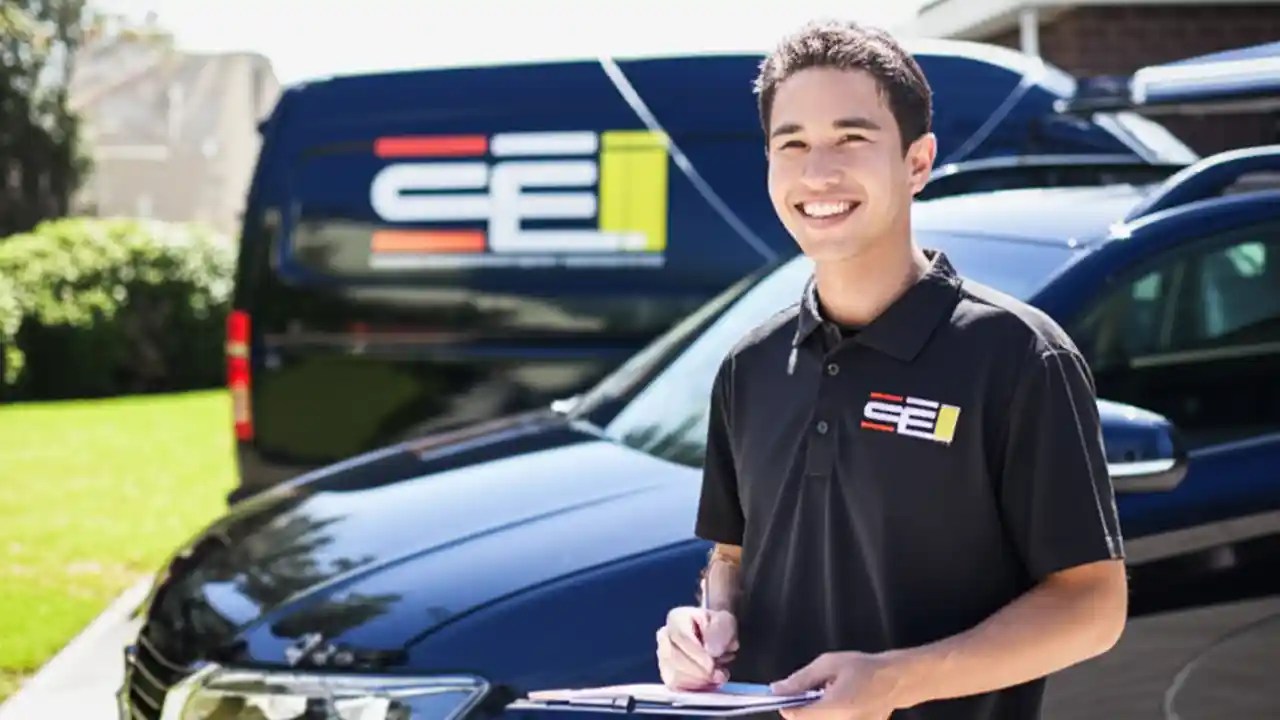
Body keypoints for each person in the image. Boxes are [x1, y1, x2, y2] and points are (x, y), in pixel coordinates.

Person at [654, 19, 1129, 720]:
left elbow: (1092, 605)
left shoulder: (1020, 357)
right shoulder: (750, 365)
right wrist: (708, 625)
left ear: (917, 161)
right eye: (793, 144)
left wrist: (899, 681)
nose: (818, 172)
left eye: (851, 139)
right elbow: (734, 552)